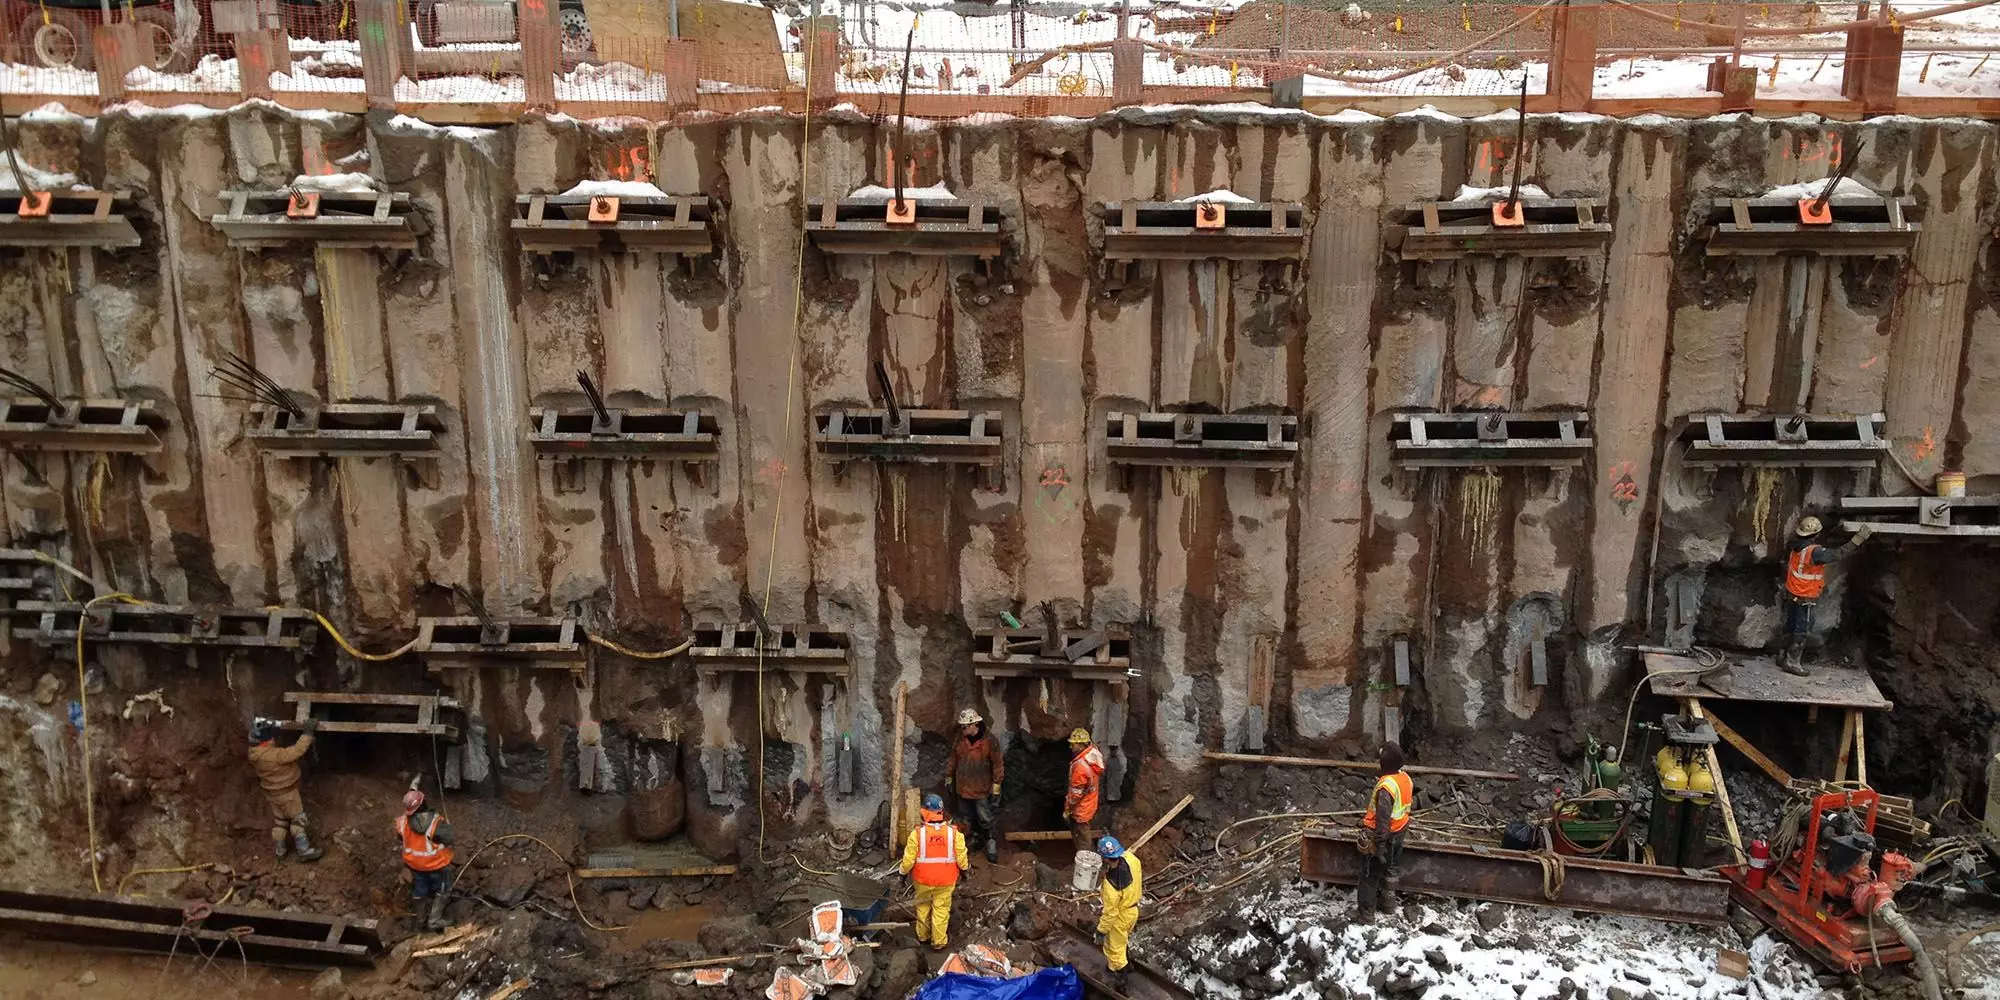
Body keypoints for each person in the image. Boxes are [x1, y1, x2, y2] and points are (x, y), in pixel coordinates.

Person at [1780, 515, 1872, 676]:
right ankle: (1792, 661)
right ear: (1816, 534)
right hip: (1805, 597)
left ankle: (1782, 656)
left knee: (1791, 626)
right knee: (1801, 630)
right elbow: (1837, 554)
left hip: (1793, 593)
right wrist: (1857, 539)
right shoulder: (1814, 552)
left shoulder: (1795, 546)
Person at [247, 717, 324, 862]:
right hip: (287, 793)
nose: (274, 740)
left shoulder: (254, 753)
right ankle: (304, 849)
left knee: (280, 821)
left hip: (272, 794)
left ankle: (280, 850)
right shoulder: (275, 755)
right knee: (298, 819)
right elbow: (296, 751)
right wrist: (307, 733)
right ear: (266, 741)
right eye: (272, 738)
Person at [898, 793, 969, 951]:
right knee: (941, 909)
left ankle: (923, 936)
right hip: (946, 881)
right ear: (941, 812)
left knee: (923, 906)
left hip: (922, 880)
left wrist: (902, 875)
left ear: (924, 812)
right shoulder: (954, 834)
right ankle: (938, 942)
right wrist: (964, 871)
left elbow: (908, 860)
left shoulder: (917, 835)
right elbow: (962, 857)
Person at [1355, 741, 1412, 922]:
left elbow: (1383, 820)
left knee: (1369, 875)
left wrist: (1379, 847)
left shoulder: (1386, 787)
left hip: (1385, 836)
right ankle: (1388, 905)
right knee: (1391, 868)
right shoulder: (1405, 778)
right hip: (1400, 831)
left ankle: (1366, 914)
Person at [946, 708, 1004, 863]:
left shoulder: (989, 741)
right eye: (962, 726)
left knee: (985, 818)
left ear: (975, 724)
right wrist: (949, 776)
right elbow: (953, 758)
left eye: (965, 726)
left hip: (981, 788)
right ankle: (973, 840)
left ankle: (991, 841)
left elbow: (997, 763)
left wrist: (997, 784)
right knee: (966, 817)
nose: (962, 729)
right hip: (963, 787)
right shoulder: (960, 739)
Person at [398, 785, 456, 931]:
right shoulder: (435, 823)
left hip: (415, 865)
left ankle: (420, 920)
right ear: (423, 803)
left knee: (420, 889)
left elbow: (401, 837)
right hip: (436, 865)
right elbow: (450, 838)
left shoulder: (402, 822)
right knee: (444, 889)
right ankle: (435, 920)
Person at [1094, 835, 1143, 991]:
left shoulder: (1110, 885)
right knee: (1123, 940)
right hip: (1133, 910)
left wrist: (1101, 930)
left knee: (1113, 948)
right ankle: (1126, 965)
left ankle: (1121, 979)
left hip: (1120, 916)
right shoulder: (1131, 859)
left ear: (1104, 858)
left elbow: (1110, 913)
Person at [1063, 728, 1106, 852]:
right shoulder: (1093, 755)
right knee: (1084, 831)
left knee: (1082, 835)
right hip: (1090, 801)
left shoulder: (1080, 766)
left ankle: (1087, 860)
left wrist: (1067, 809)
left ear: (1081, 745)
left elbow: (1075, 794)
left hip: (1082, 807)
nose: (1071, 747)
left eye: (1073, 744)